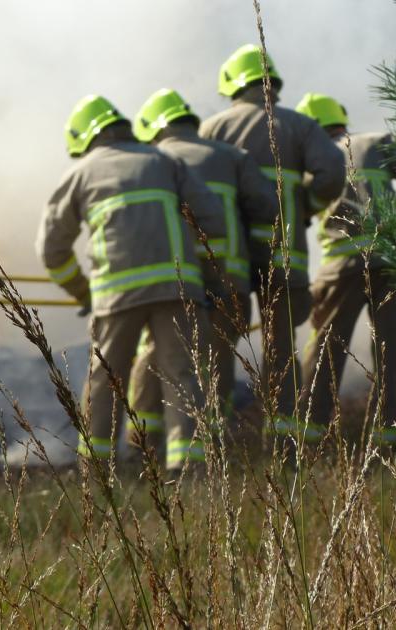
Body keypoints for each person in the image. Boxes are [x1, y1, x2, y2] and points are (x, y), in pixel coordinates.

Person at [37, 95, 227, 473]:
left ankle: (97, 473)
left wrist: (82, 290)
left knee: (106, 380)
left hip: (115, 296)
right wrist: (206, 275)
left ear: (83, 137)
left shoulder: (81, 173)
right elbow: (213, 219)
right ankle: (189, 474)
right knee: (182, 376)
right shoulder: (164, 161)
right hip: (177, 290)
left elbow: (51, 248)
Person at [199, 45, 345, 445]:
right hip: (283, 254)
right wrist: (304, 208)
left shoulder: (212, 129)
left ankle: (216, 434)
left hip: (227, 256)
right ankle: (283, 439)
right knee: (281, 345)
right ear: (274, 83)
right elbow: (332, 172)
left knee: (221, 339)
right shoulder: (300, 125)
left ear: (231, 83)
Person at [126, 88, 278, 455]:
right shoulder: (233, 158)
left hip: (174, 281)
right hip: (232, 282)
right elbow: (268, 208)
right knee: (219, 359)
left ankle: (141, 445)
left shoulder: (151, 161)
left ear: (153, 129)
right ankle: (211, 444)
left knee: (156, 356)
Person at [294, 92, 396, 447]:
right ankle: (389, 442)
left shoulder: (307, 162)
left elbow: (295, 217)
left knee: (324, 351)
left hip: (340, 267)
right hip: (395, 262)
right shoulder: (377, 142)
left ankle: (308, 439)